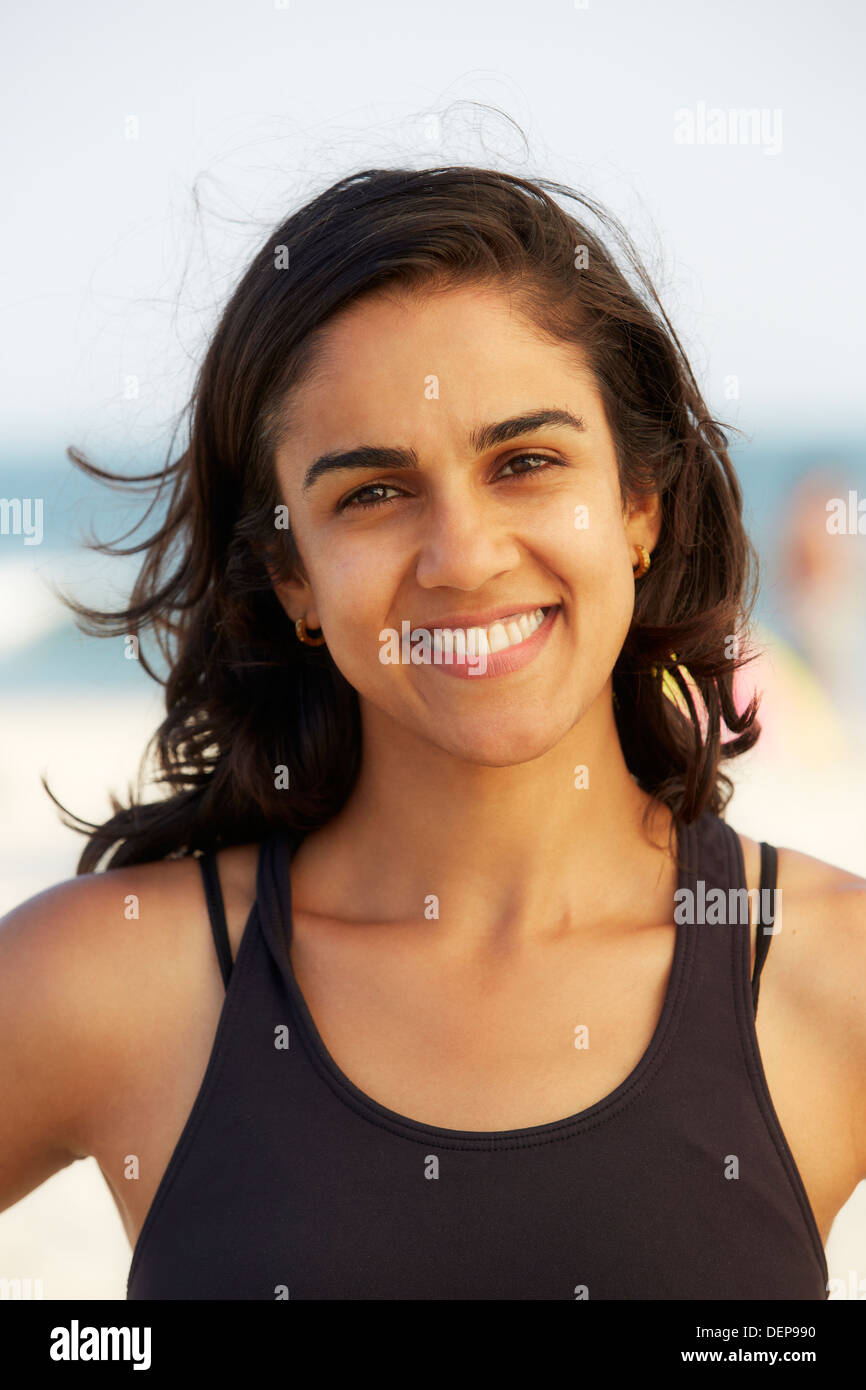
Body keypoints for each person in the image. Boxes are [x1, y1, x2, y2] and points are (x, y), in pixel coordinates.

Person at [1, 166, 864, 1300]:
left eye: (524, 462)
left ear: (638, 509)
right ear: (292, 575)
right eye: (370, 492)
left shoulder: (827, 971)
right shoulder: (109, 978)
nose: (463, 555)